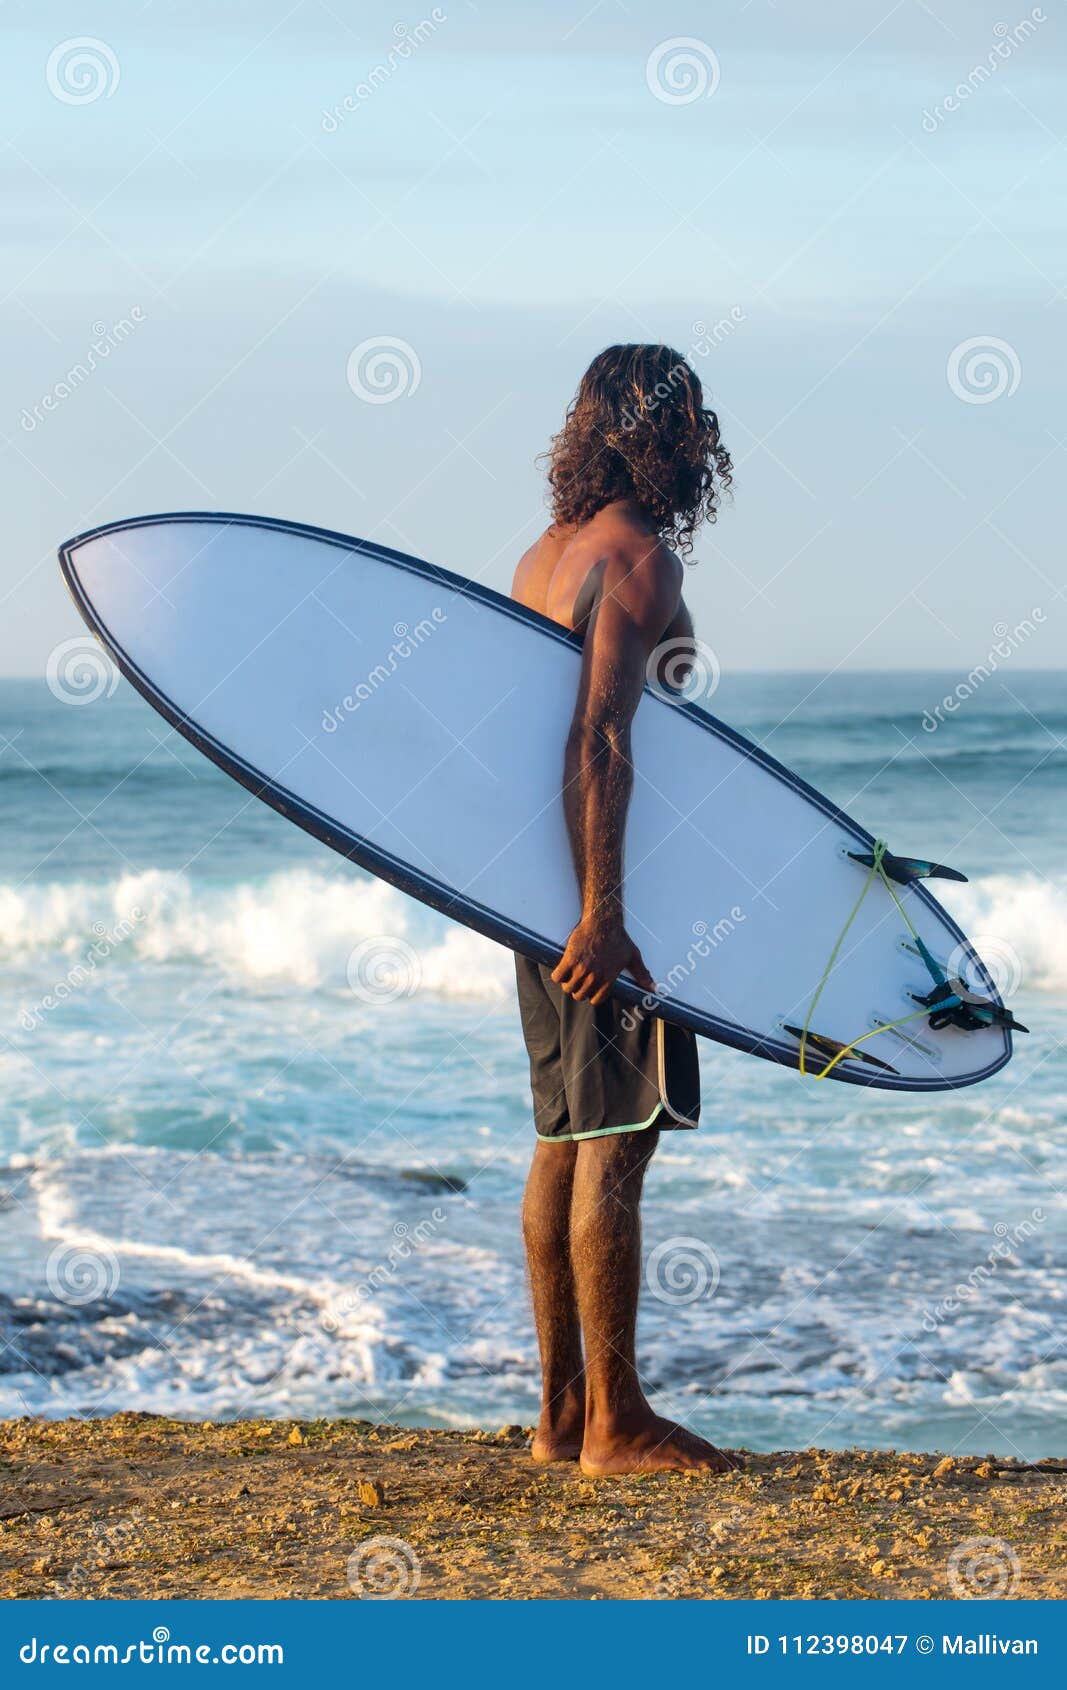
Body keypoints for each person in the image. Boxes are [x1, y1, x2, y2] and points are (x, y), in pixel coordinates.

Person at [509, 344, 737, 1477]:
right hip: (604, 899)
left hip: (533, 892)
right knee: (616, 1135)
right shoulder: (634, 562)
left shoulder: (543, 555)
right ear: (653, 431)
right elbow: (597, 736)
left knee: (561, 1133)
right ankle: (615, 1421)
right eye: (689, 419)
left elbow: (514, 741)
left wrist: (556, 905)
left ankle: (559, 1416)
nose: (702, 438)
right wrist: (604, 912)